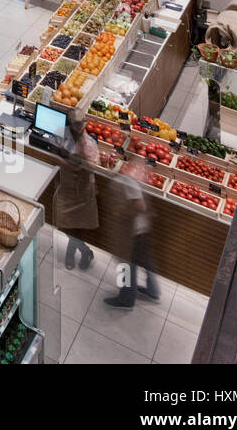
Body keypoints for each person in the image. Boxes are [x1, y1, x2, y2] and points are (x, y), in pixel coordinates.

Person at [103, 174, 161, 309]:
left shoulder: (128, 178)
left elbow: (140, 206)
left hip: (133, 230)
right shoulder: (132, 173)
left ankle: (126, 299)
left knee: (127, 265)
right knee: (146, 261)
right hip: (141, 228)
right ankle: (153, 292)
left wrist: (121, 212)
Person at [54, 111, 99, 271]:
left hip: (83, 190)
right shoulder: (62, 136)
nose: (76, 128)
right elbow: (54, 150)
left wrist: (73, 161)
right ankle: (86, 251)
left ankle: (70, 255)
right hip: (66, 186)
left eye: (79, 124)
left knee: (77, 226)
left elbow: (93, 167)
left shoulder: (89, 144)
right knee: (64, 224)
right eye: (74, 124)